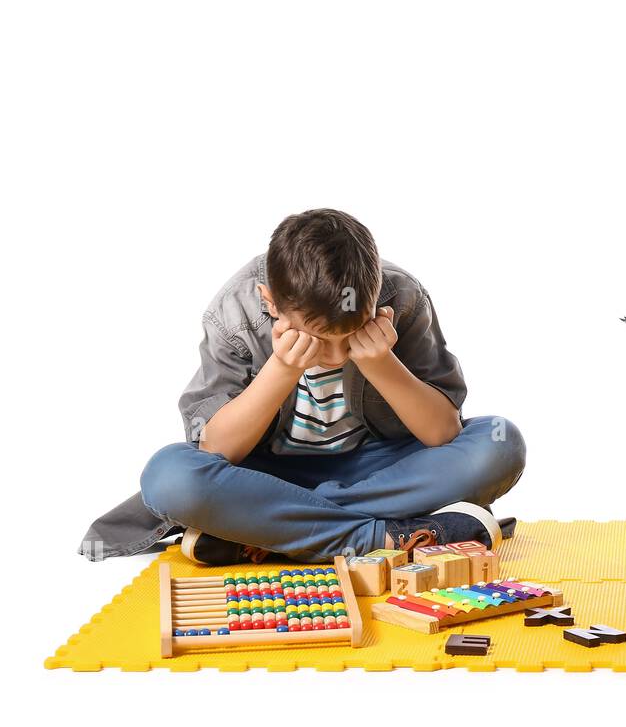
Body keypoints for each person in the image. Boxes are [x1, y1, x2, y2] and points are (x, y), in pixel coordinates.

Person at [80, 208, 525, 564]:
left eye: (351, 335)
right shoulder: (234, 312)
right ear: (269, 301)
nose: (334, 357)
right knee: (169, 477)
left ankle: (270, 530)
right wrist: (282, 370)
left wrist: (380, 362)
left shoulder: (401, 297)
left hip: (381, 468)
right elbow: (216, 450)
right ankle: (384, 536)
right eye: (316, 339)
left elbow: (442, 434)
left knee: (500, 444)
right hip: (267, 473)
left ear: (374, 298)